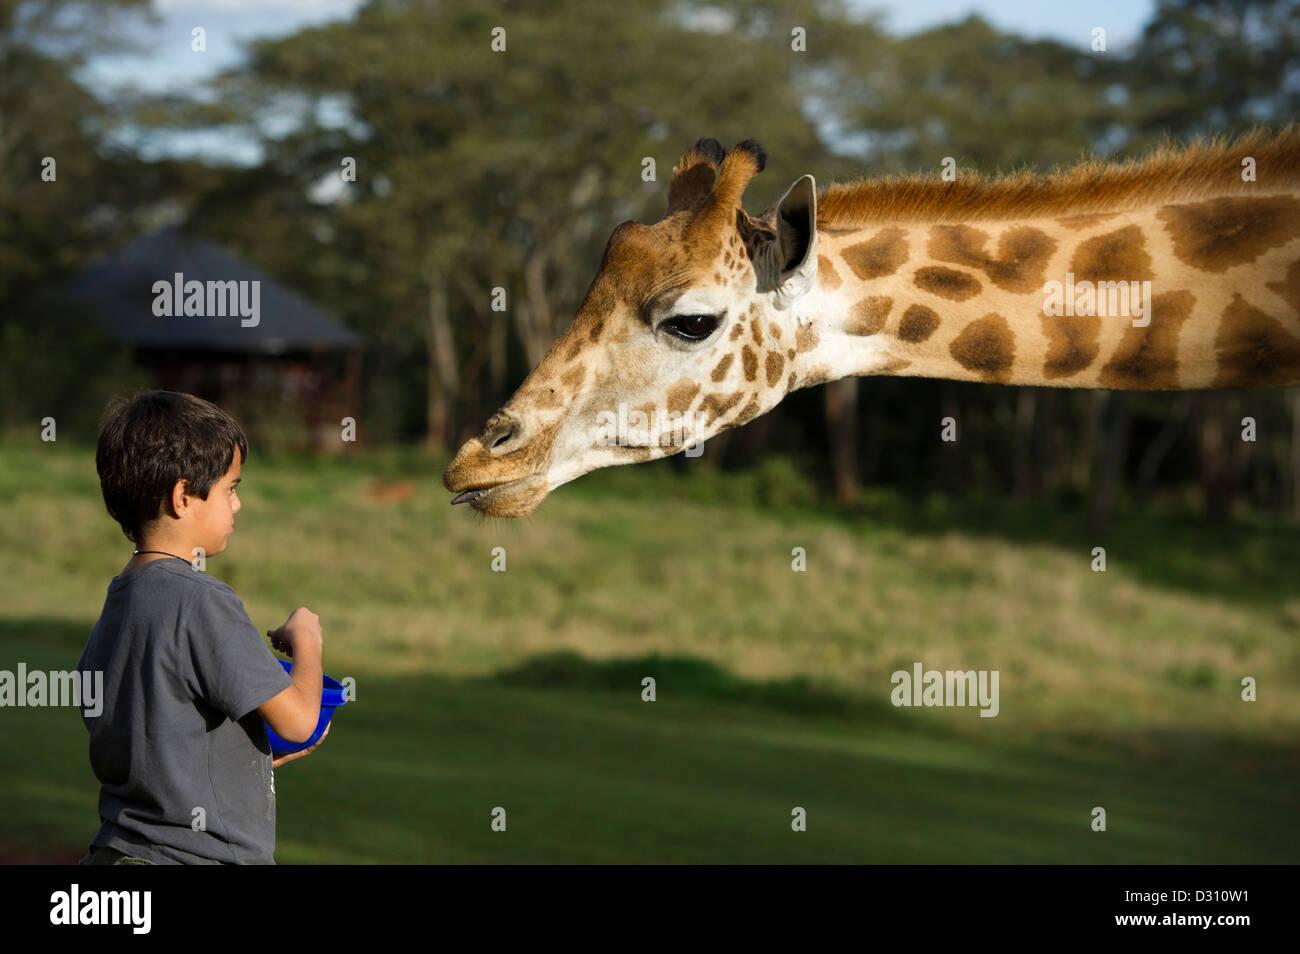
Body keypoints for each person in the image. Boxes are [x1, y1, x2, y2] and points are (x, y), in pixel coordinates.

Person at [76, 390, 329, 864]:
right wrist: (308, 639)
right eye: (231, 488)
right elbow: (298, 722)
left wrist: (249, 759)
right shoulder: (202, 600)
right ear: (183, 497)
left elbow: (153, 747)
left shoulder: (119, 604)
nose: (238, 504)